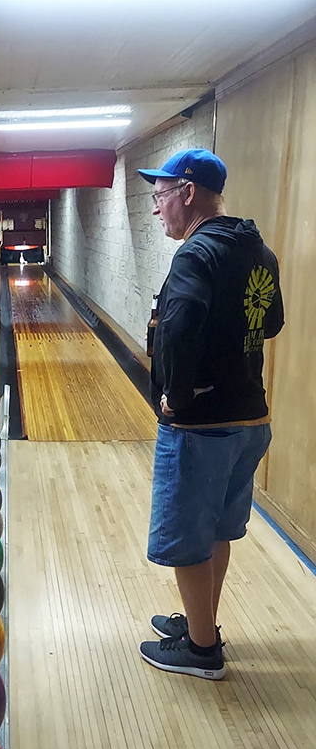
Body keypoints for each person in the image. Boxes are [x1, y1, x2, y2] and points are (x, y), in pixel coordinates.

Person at [136, 149, 284, 679]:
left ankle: (201, 652)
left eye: (161, 196)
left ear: (188, 192)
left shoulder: (196, 254)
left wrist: (176, 396)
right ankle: (204, 625)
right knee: (217, 529)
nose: (157, 208)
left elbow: (177, 330)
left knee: (187, 538)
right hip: (251, 419)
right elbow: (272, 323)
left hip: (202, 425)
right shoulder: (259, 251)